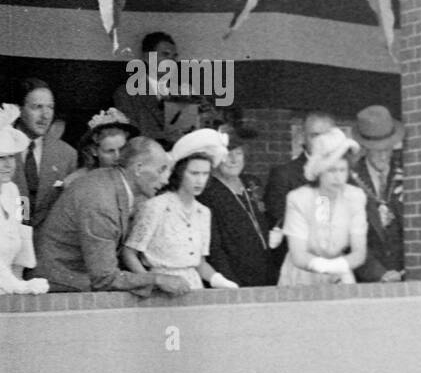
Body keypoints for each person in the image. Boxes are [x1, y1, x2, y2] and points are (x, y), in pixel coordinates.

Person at [32, 137, 187, 296]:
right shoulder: (102, 201)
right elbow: (104, 279)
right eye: (160, 170)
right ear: (138, 168)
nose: (166, 179)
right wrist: (156, 279)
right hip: (60, 290)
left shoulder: (107, 180)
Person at [123, 130, 238, 293]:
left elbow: (199, 263)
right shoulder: (156, 206)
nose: (200, 180)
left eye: (205, 174)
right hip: (162, 289)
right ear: (180, 173)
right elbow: (129, 253)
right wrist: (151, 281)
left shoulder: (203, 212)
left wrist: (220, 281)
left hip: (194, 288)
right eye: (194, 173)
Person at [277, 128, 368, 286]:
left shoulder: (355, 197)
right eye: (331, 170)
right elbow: (298, 255)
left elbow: (359, 252)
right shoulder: (298, 198)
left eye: (342, 170)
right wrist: (325, 267)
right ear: (319, 171)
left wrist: (340, 267)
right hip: (302, 276)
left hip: (341, 273)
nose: (338, 177)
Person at [201, 122, 275, 287]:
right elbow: (214, 248)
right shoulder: (208, 193)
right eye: (227, 154)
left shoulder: (251, 182)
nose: (233, 160)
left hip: (264, 272)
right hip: (233, 278)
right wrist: (230, 283)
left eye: (238, 153)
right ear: (214, 158)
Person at [111, 31, 202, 146]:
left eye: (174, 56)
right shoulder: (126, 93)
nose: (172, 61)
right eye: (165, 54)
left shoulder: (184, 91)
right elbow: (130, 132)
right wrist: (165, 136)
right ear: (147, 57)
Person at [10, 78, 77, 233]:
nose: (45, 115)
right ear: (19, 109)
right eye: (37, 107)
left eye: (50, 107)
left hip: (46, 247)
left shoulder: (67, 154)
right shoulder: (4, 146)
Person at [351, 105, 405, 283]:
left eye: (387, 149)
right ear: (365, 148)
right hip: (368, 279)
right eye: (377, 150)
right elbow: (347, 238)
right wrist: (379, 274)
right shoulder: (349, 180)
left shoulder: (406, 176)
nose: (384, 156)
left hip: (407, 276)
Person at [0, 105, 49, 295]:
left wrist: (20, 284)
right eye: (0, 158)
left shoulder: (14, 192)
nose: (7, 165)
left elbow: (22, 244)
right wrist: (20, 287)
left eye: (11, 157)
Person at [265, 110, 337, 232]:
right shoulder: (283, 175)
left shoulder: (346, 173)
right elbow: (280, 222)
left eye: (327, 136)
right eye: (315, 135)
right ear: (303, 137)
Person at [62, 109, 139, 189]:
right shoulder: (78, 181)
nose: (118, 156)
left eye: (122, 149)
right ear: (94, 150)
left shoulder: (137, 175)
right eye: (110, 151)